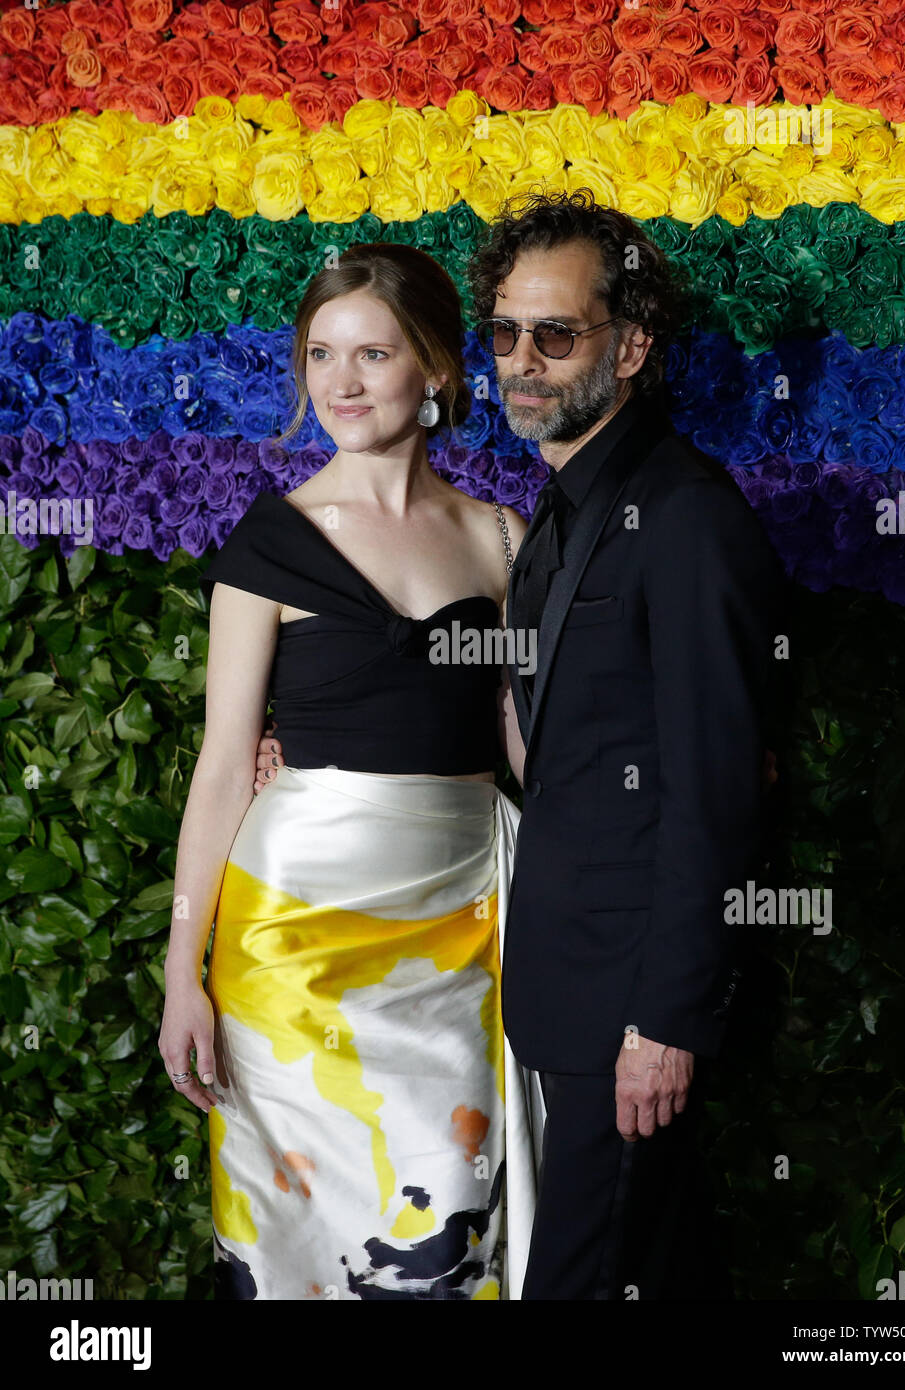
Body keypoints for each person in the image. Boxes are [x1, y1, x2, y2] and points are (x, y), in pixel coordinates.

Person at [257, 190, 785, 1301]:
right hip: (554, 994)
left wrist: (668, 1022)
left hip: (628, 1014)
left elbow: (719, 787)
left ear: (632, 345)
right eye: (502, 333)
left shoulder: (683, 518)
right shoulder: (555, 510)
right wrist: (304, 757)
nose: (521, 362)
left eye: (557, 334)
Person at [158, 242, 543, 1301]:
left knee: (446, 1220)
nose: (341, 382)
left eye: (373, 354)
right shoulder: (269, 545)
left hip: (459, 932)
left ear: (435, 370)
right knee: (297, 1237)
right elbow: (223, 766)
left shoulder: (499, 539)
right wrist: (180, 966)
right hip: (290, 943)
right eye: (322, 354)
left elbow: (525, 745)